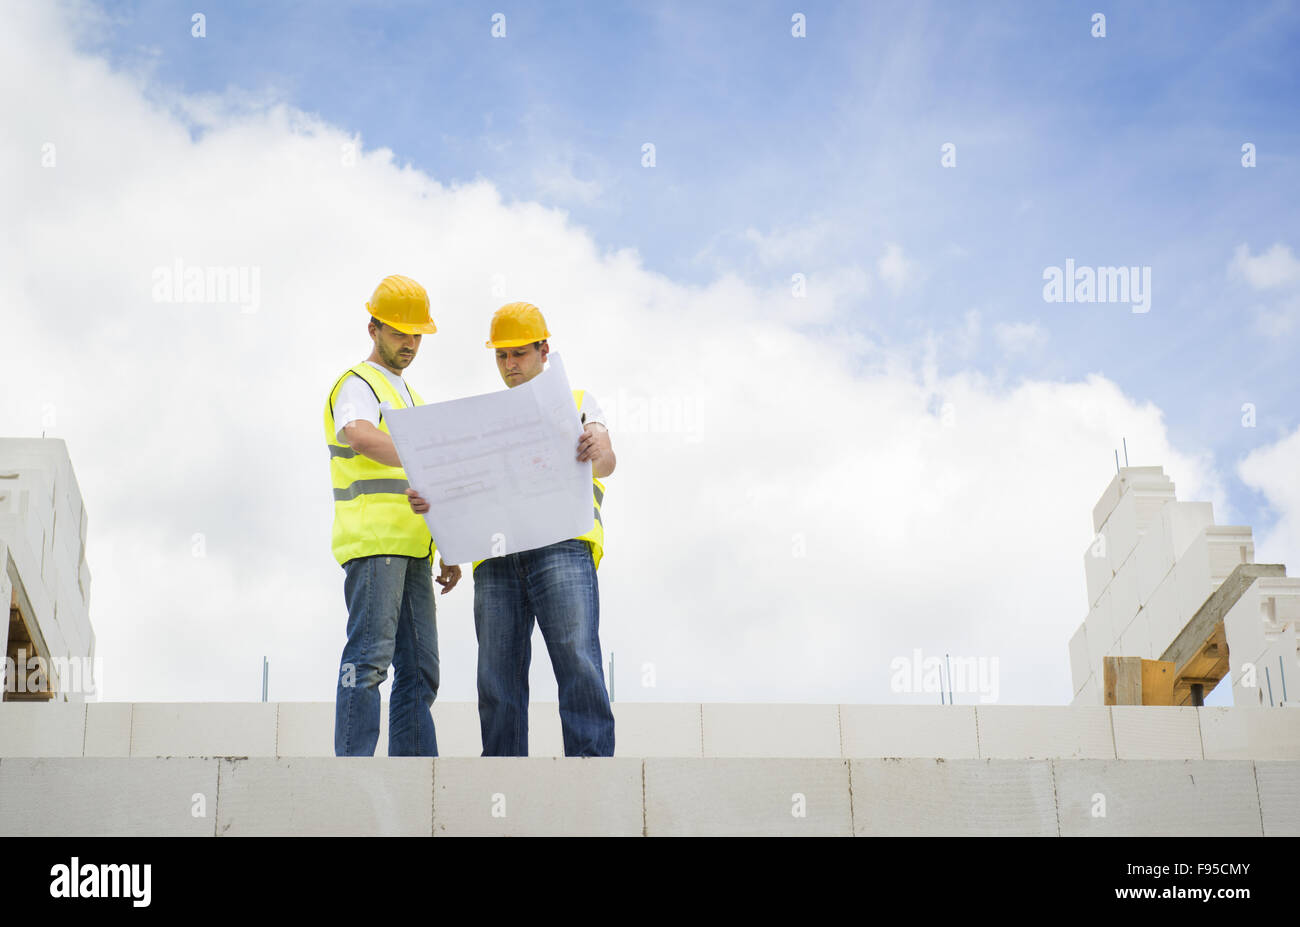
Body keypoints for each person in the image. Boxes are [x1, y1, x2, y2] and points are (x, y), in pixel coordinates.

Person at [407, 301, 616, 756]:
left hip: (562, 548)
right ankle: (502, 780)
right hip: (496, 557)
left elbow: (606, 461)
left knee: (577, 660)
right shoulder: (484, 421)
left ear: (544, 350)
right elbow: (461, 490)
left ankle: (593, 771)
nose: (509, 364)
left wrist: (593, 445)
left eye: (518, 353)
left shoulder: (578, 402)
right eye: (501, 356)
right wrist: (436, 512)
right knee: (496, 678)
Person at [324, 274, 461, 757]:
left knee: (421, 668)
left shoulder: (411, 398)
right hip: (376, 544)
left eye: (416, 333)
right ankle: (354, 767)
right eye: (400, 332)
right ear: (373, 328)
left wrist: (448, 546)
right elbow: (359, 435)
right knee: (369, 660)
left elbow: (426, 482)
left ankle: (415, 772)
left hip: (415, 552)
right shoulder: (358, 384)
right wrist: (423, 455)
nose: (410, 343)